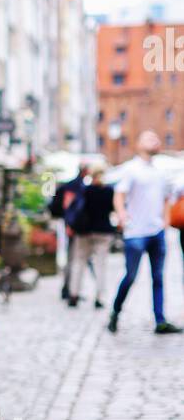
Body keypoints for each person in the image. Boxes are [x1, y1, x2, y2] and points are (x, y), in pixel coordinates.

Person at [109, 130, 181, 334]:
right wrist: (122, 215)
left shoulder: (160, 172)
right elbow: (119, 195)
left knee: (158, 277)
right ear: (138, 143)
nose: (155, 140)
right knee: (131, 276)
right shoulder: (131, 169)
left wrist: (165, 220)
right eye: (150, 138)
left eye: (156, 138)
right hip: (136, 232)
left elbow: (167, 198)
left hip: (156, 231)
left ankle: (160, 320)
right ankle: (116, 311)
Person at [66, 161, 114, 308]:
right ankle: (99, 297)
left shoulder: (85, 190)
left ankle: (73, 294)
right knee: (101, 264)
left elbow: (74, 208)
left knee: (78, 261)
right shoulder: (109, 191)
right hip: (103, 231)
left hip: (84, 231)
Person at [49, 163, 89, 300]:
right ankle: (70, 289)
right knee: (73, 258)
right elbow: (68, 207)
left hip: (70, 225)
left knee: (73, 258)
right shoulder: (76, 187)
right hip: (73, 226)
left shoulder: (72, 185)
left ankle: (71, 288)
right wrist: (70, 224)